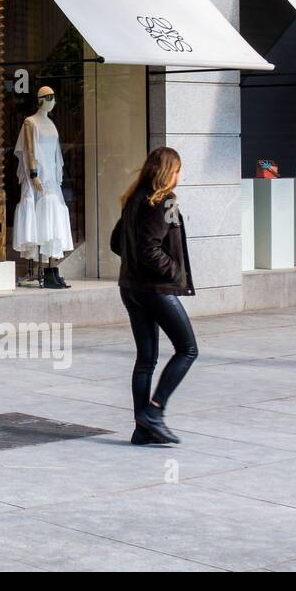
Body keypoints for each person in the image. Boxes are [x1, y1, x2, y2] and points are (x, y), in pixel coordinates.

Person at [110, 146, 198, 446]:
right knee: (187, 350)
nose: (180, 174)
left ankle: (142, 430)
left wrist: (134, 262)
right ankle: (154, 412)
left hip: (131, 288)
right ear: (169, 172)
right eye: (178, 168)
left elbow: (115, 242)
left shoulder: (133, 200)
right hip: (155, 290)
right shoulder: (167, 202)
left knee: (146, 359)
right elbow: (150, 248)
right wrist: (173, 271)